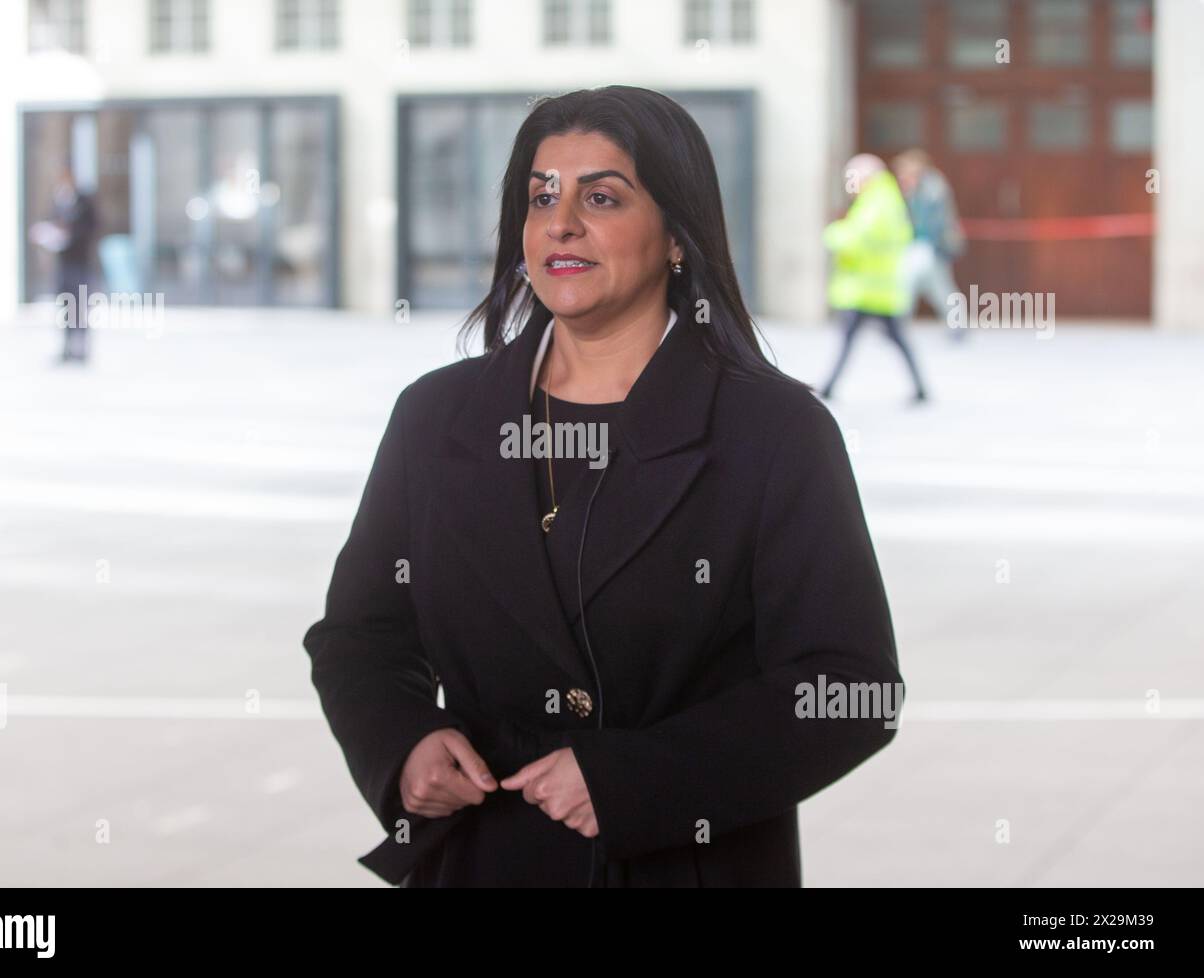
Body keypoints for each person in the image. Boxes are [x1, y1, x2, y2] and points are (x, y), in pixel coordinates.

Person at [303, 86, 904, 888]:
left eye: (603, 197)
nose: (561, 223)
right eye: (541, 195)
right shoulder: (436, 418)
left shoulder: (773, 431)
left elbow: (852, 687)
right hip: (482, 864)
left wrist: (635, 779)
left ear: (677, 235)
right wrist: (402, 743)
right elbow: (360, 637)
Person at [818, 153, 929, 404]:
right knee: (891, 340)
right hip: (877, 289)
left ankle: (829, 386)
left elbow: (858, 237)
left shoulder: (877, 202)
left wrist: (833, 234)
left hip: (867, 288)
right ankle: (920, 388)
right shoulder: (884, 198)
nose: (850, 186)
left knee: (853, 340)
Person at [892, 148, 967, 343]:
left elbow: (935, 221)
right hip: (915, 247)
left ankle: (957, 326)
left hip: (933, 246)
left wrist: (932, 244)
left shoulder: (933, 188)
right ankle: (898, 325)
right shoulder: (908, 189)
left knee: (941, 288)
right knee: (906, 285)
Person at [50, 168, 97, 363]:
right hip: (64, 262)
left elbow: (93, 226)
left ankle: (81, 347)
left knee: (80, 305)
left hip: (80, 261)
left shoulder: (84, 201)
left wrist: (72, 235)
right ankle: (67, 346)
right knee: (65, 306)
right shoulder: (58, 201)